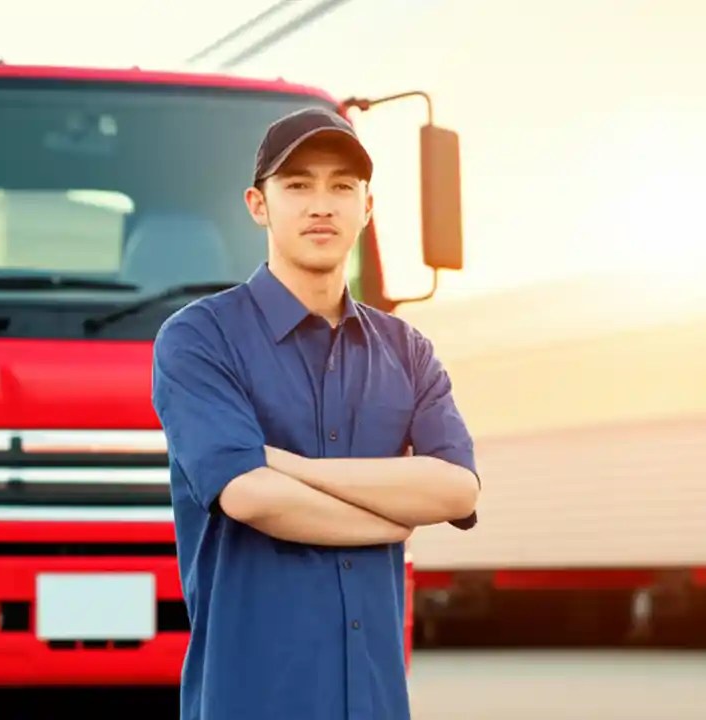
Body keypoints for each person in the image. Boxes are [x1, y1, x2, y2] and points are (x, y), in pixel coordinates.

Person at [150, 106, 482, 720]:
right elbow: (251, 498)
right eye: (298, 185)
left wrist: (290, 465)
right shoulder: (199, 338)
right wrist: (391, 518)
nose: (321, 204)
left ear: (367, 207)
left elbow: (456, 490)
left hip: (376, 702)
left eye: (342, 186)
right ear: (258, 204)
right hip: (250, 699)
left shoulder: (407, 350)